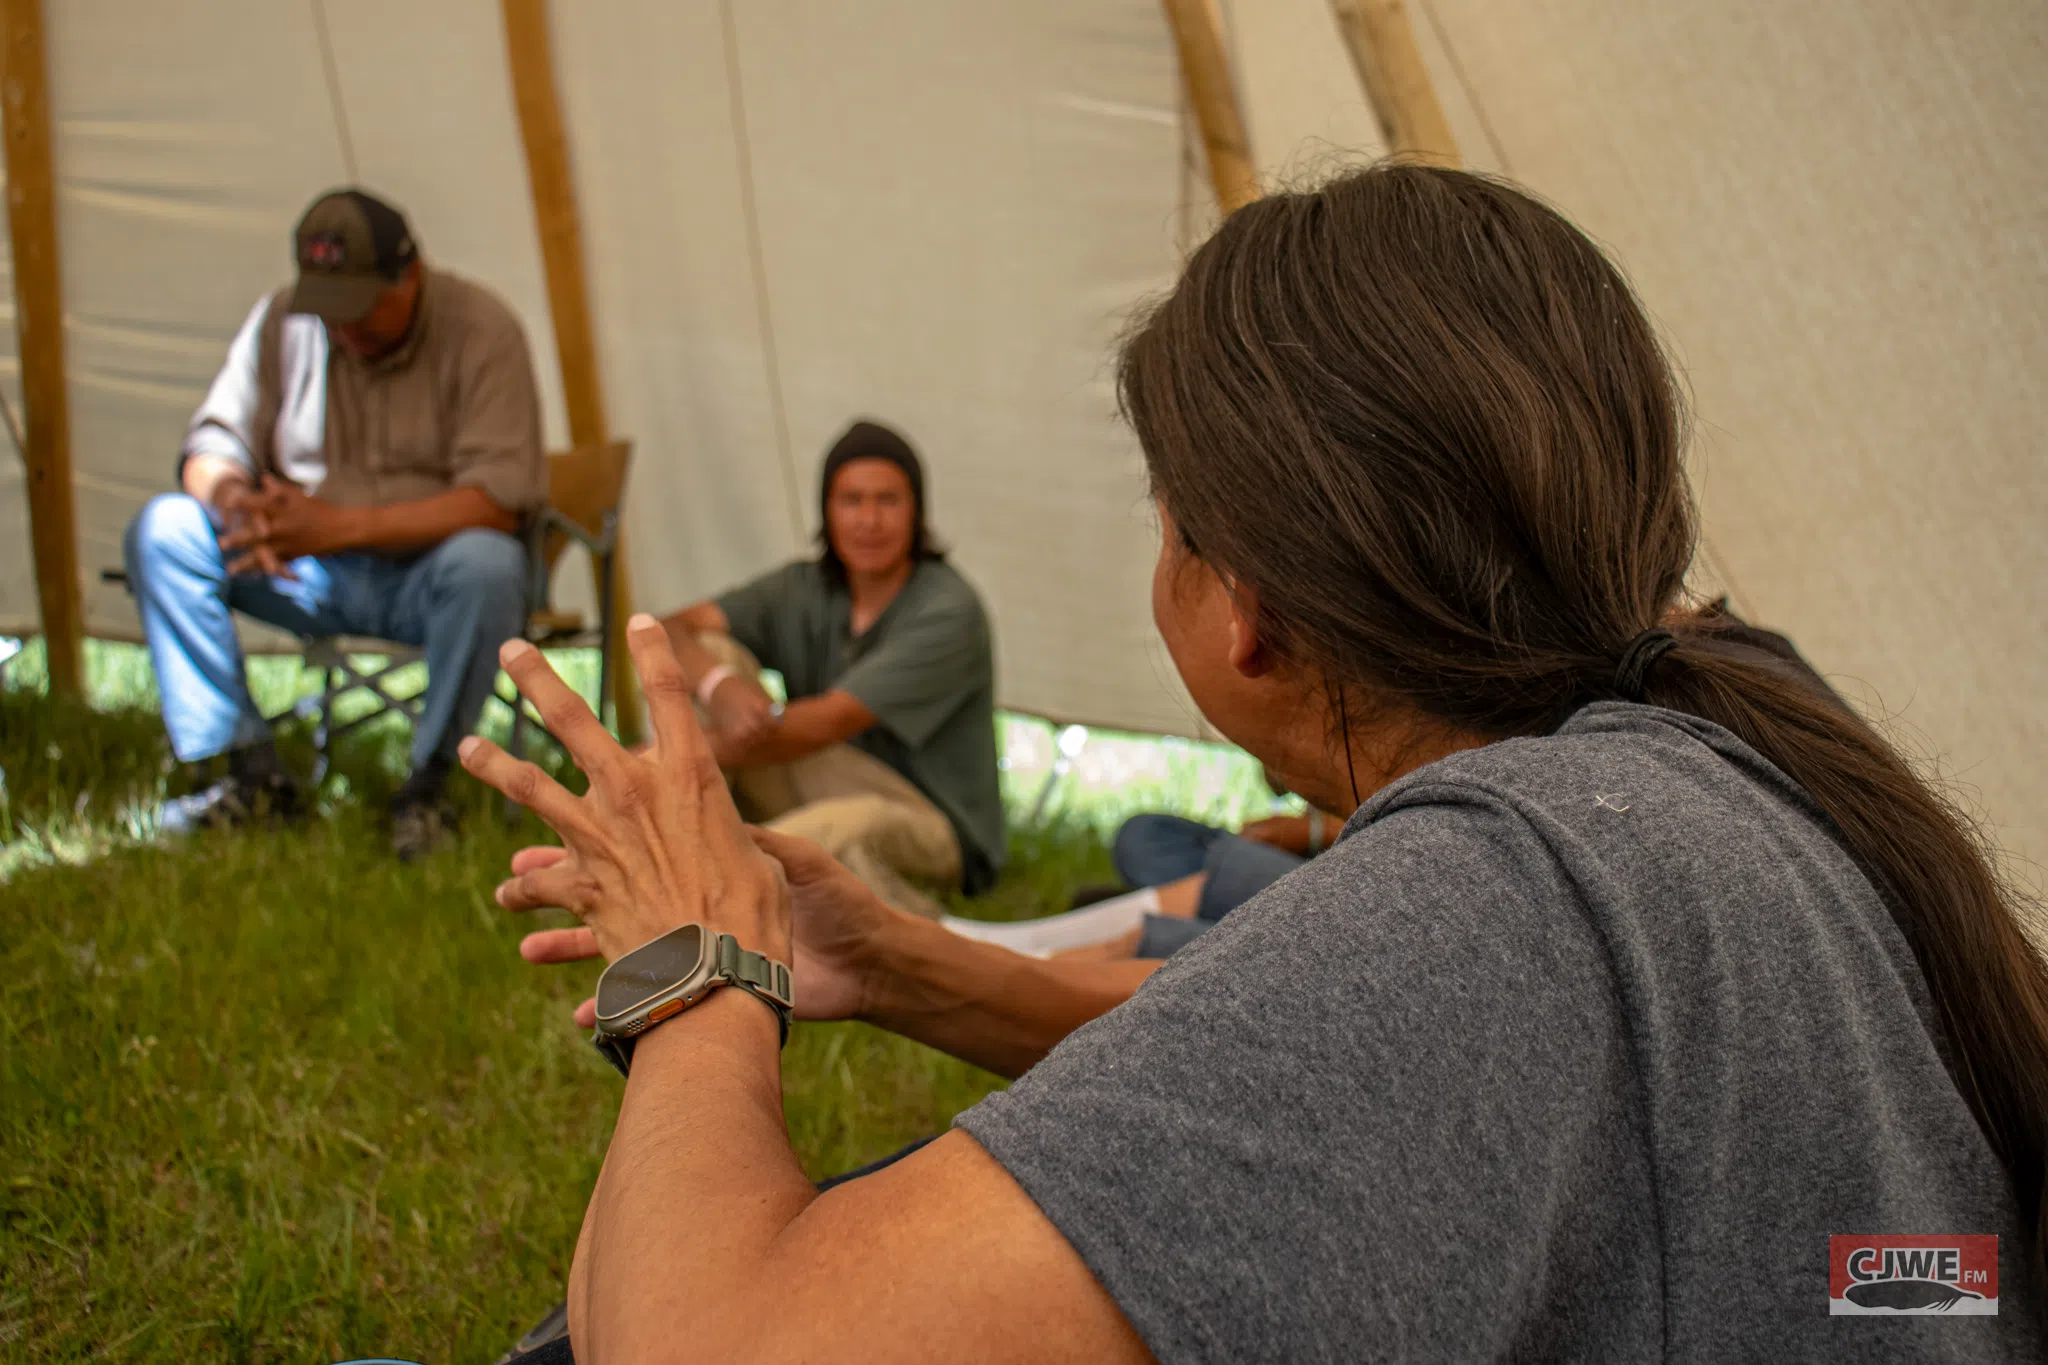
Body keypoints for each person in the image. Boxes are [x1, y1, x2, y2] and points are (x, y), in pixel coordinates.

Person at [458, 165, 2045, 1363]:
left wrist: (693, 977)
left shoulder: (1497, 905)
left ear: (1246, 610)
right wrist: (903, 964)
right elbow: (1286, 1062)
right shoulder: (1695, 770)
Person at [123, 188, 545, 859]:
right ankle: (250, 774)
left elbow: (497, 501)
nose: (345, 331)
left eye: (361, 311)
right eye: (330, 314)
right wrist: (236, 503)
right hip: (302, 568)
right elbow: (209, 444)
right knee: (165, 531)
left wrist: (340, 527)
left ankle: (427, 788)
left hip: (426, 577)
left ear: (408, 275)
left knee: (490, 564)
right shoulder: (285, 321)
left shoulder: (482, 329)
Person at [652, 420, 1002, 918]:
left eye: (887, 501)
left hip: (929, 820)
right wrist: (720, 684)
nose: (869, 521)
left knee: (832, 835)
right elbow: (666, 629)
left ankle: (697, 876)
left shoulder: (948, 610)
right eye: (852, 501)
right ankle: (691, 846)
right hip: (819, 773)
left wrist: (674, 753)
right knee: (709, 648)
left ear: (917, 512)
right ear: (826, 510)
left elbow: (826, 724)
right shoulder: (805, 586)